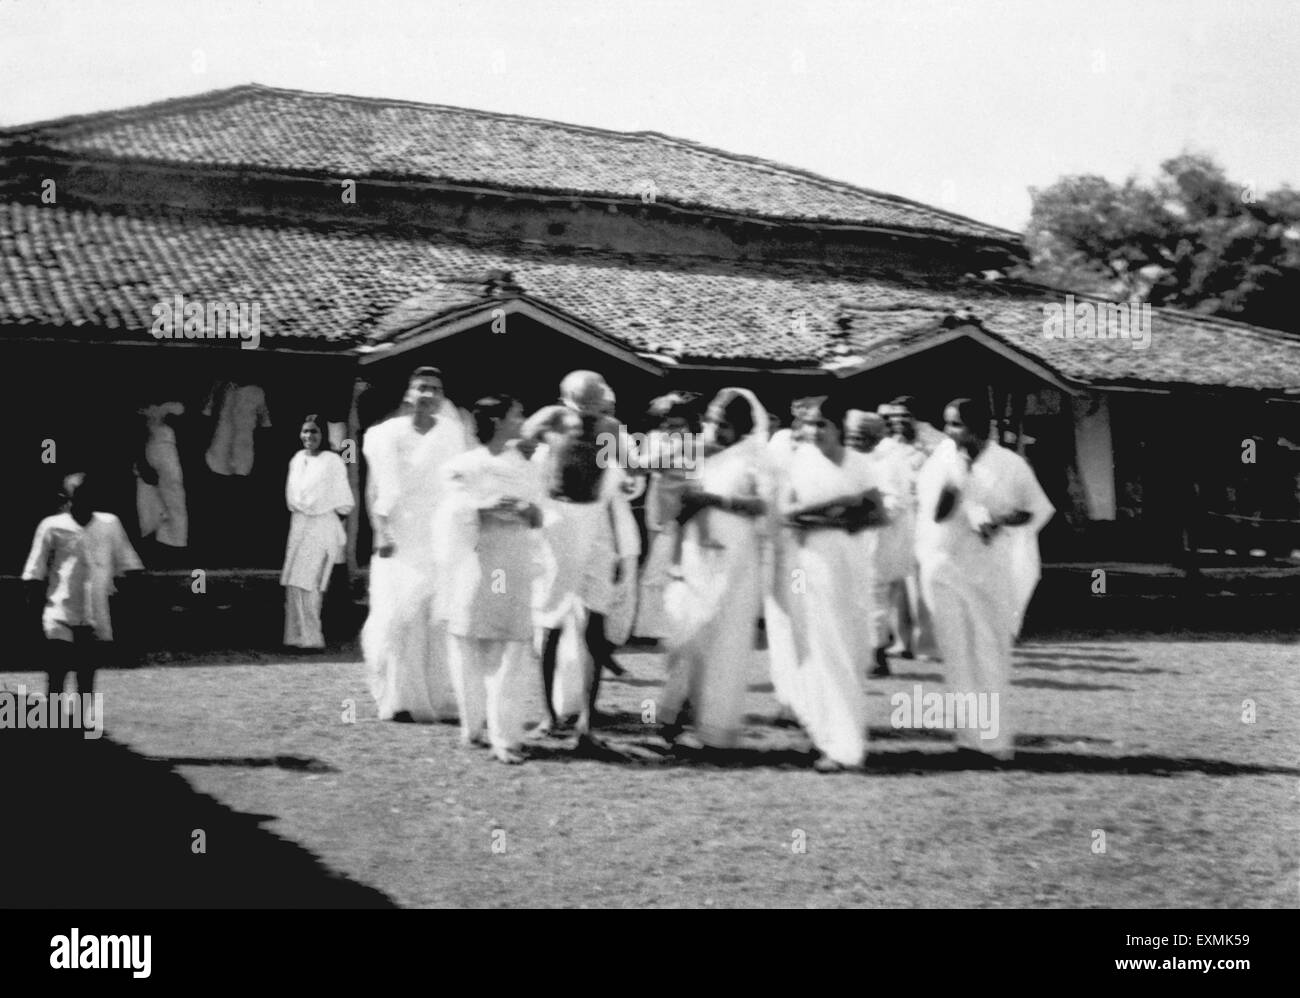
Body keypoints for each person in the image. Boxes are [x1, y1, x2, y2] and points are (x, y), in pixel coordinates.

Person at [915, 396, 1055, 760]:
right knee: (957, 654)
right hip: (947, 567)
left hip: (993, 571)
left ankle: (993, 742)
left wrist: (999, 520)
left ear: (979, 427)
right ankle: (967, 741)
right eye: (947, 424)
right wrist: (955, 476)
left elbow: (1035, 511)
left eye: (956, 425)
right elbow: (937, 515)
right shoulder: (941, 459)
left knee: (989, 654)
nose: (949, 432)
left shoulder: (1011, 464)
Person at [769, 396, 885, 772]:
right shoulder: (797, 463)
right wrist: (841, 501)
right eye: (809, 425)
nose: (813, 432)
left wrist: (836, 518)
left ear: (838, 428)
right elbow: (786, 513)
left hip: (849, 563)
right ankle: (828, 739)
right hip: (809, 564)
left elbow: (877, 514)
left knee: (847, 649)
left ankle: (845, 741)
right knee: (816, 647)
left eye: (822, 425)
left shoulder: (860, 464)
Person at [527, 371, 639, 746]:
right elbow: (517, 447)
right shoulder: (551, 420)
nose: (589, 417)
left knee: (596, 621)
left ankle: (587, 722)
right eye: (582, 409)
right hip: (558, 521)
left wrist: (629, 471)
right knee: (550, 619)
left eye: (594, 408)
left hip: (596, 525)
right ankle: (548, 715)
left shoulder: (610, 427)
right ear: (566, 402)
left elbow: (633, 468)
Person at [658, 388, 772, 751]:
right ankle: (671, 715)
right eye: (711, 421)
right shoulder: (698, 455)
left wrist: (714, 499)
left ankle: (713, 727)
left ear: (741, 426)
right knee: (686, 635)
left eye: (723, 424)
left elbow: (764, 507)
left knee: (724, 641)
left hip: (737, 558)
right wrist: (686, 505)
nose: (715, 429)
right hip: (696, 555)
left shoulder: (755, 458)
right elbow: (676, 506)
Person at [438, 395, 545, 765]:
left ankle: (505, 735)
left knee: (510, 646)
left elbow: (539, 515)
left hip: (511, 562)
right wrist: (480, 507)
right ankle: (472, 725)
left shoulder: (526, 466)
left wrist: (528, 510)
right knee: (468, 640)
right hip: (476, 559)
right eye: (517, 415)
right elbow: (450, 514)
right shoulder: (463, 465)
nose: (523, 420)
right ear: (498, 420)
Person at [361, 366, 472, 722]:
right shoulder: (384, 434)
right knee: (396, 616)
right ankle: (397, 697)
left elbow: (462, 486)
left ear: (442, 397)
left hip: (440, 536)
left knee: (434, 619)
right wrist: (381, 531)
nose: (428, 394)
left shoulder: (454, 434)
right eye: (421, 387)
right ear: (409, 394)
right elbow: (375, 489)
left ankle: (431, 696)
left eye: (435, 389)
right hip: (400, 535)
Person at [22, 472, 143, 722]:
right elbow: (35, 572)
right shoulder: (51, 526)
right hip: (59, 611)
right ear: (65, 499)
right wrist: (32, 618)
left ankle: (82, 729)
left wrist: (131, 615)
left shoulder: (110, 524)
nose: (87, 502)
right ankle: (53, 726)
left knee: (86, 675)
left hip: (94, 614)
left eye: (92, 496)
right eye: (80, 497)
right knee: (57, 672)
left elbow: (129, 565)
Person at [875, 395, 942, 660]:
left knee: (920, 583)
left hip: (923, 518)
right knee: (896, 583)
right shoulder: (886, 446)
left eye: (905, 417)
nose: (899, 422)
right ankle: (901, 641)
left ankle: (925, 643)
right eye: (894, 418)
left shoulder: (933, 444)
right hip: (896, 521)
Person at [281, 414, 355, 650]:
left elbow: (344, 502)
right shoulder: (296, 459)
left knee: (309, 583)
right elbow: (292, 495)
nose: (309, 436)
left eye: (314, 431)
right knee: (294, 583)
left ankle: (312, 638)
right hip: (299, 524)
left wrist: (326, 520)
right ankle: (294, 637)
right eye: (305, 431)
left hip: (321, 527)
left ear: (322, 435)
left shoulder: (332, 461)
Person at [633, 392, 701, 640]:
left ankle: (675, 624)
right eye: (666, 424)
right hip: (657, 506)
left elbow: (696, 479)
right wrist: (671, 454)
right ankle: (646, 627)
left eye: (677, 424)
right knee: (653, 568)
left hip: (685, 512)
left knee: (680, 570)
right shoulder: (655, 438)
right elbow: (641, 464)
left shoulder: (696, 443)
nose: (671, 429)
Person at [846, 409, 908, 676]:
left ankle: (877, 655)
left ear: (872, 437)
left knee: (875, 598)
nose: (853, 442)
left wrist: (864, 515)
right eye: (850, 436)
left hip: (878, 540)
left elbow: (894, 504)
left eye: (859, 436)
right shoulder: (851, 460)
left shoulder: (888, 462)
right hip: (853, 539)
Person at [135, 401, 188, 556]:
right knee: (149, 498)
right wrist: (141, 461)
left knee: (173, 498)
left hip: (165, 448)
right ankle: (157, 542)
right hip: (155, 449)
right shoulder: (146, 410)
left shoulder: (173, 408)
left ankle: (172, 542)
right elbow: (140, 431)